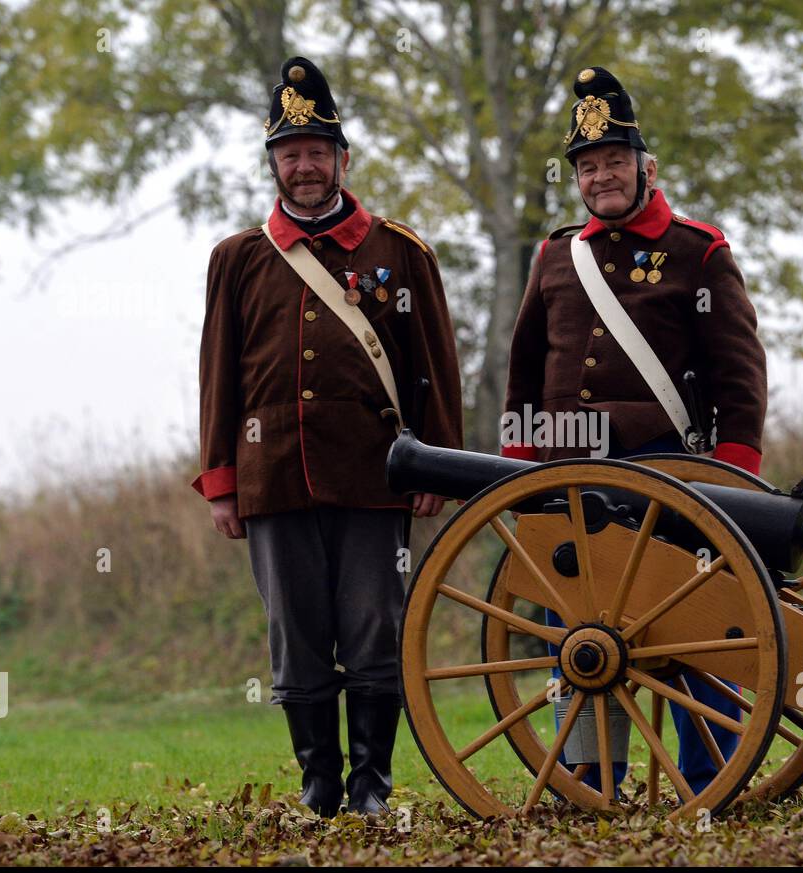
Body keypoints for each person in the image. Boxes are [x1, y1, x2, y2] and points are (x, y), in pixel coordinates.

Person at [192, 56, 463, 817]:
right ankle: (318, 781)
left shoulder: (399, 251)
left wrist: (436, 466)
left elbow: (434, 369)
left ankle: (372, 783)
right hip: (273, 475)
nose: (304, 166)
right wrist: (221, 480)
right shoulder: (238, 259)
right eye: (290, 153)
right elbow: (219, 376)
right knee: (297, 633)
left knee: (377, 626)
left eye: (317, 152)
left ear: (343, 159)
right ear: (274, 164)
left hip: (378, 475)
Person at [501, 66, 768, 796]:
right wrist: (518, 467)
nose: (602, 178)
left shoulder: (698, 250)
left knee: (689, 627)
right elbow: (526, 367)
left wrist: (732, 472)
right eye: (589, 167)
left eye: (615, 162)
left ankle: (711, 770)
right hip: (570, 473)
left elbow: (739, 373)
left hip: (666, 473)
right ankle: (589, 771)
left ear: (646, 168)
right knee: (579, 633)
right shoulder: (558, 255)